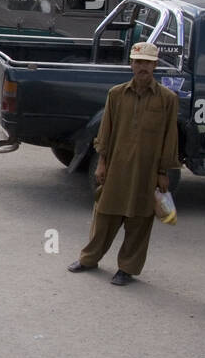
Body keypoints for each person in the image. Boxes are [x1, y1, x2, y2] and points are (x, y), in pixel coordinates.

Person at [68, 41, 180, 286]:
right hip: (117, 168)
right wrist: (101, 162)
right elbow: (105, 131)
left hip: (147, 172)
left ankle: (126, 269)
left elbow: (170, 138)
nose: (143, 67)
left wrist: (163, 171)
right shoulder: (117, 94)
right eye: (138, 62)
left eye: (148, 63)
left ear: (155, 66)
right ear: (131, 64)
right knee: (104, 216)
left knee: (139, 222)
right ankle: (89, 259)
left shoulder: (167, 99)